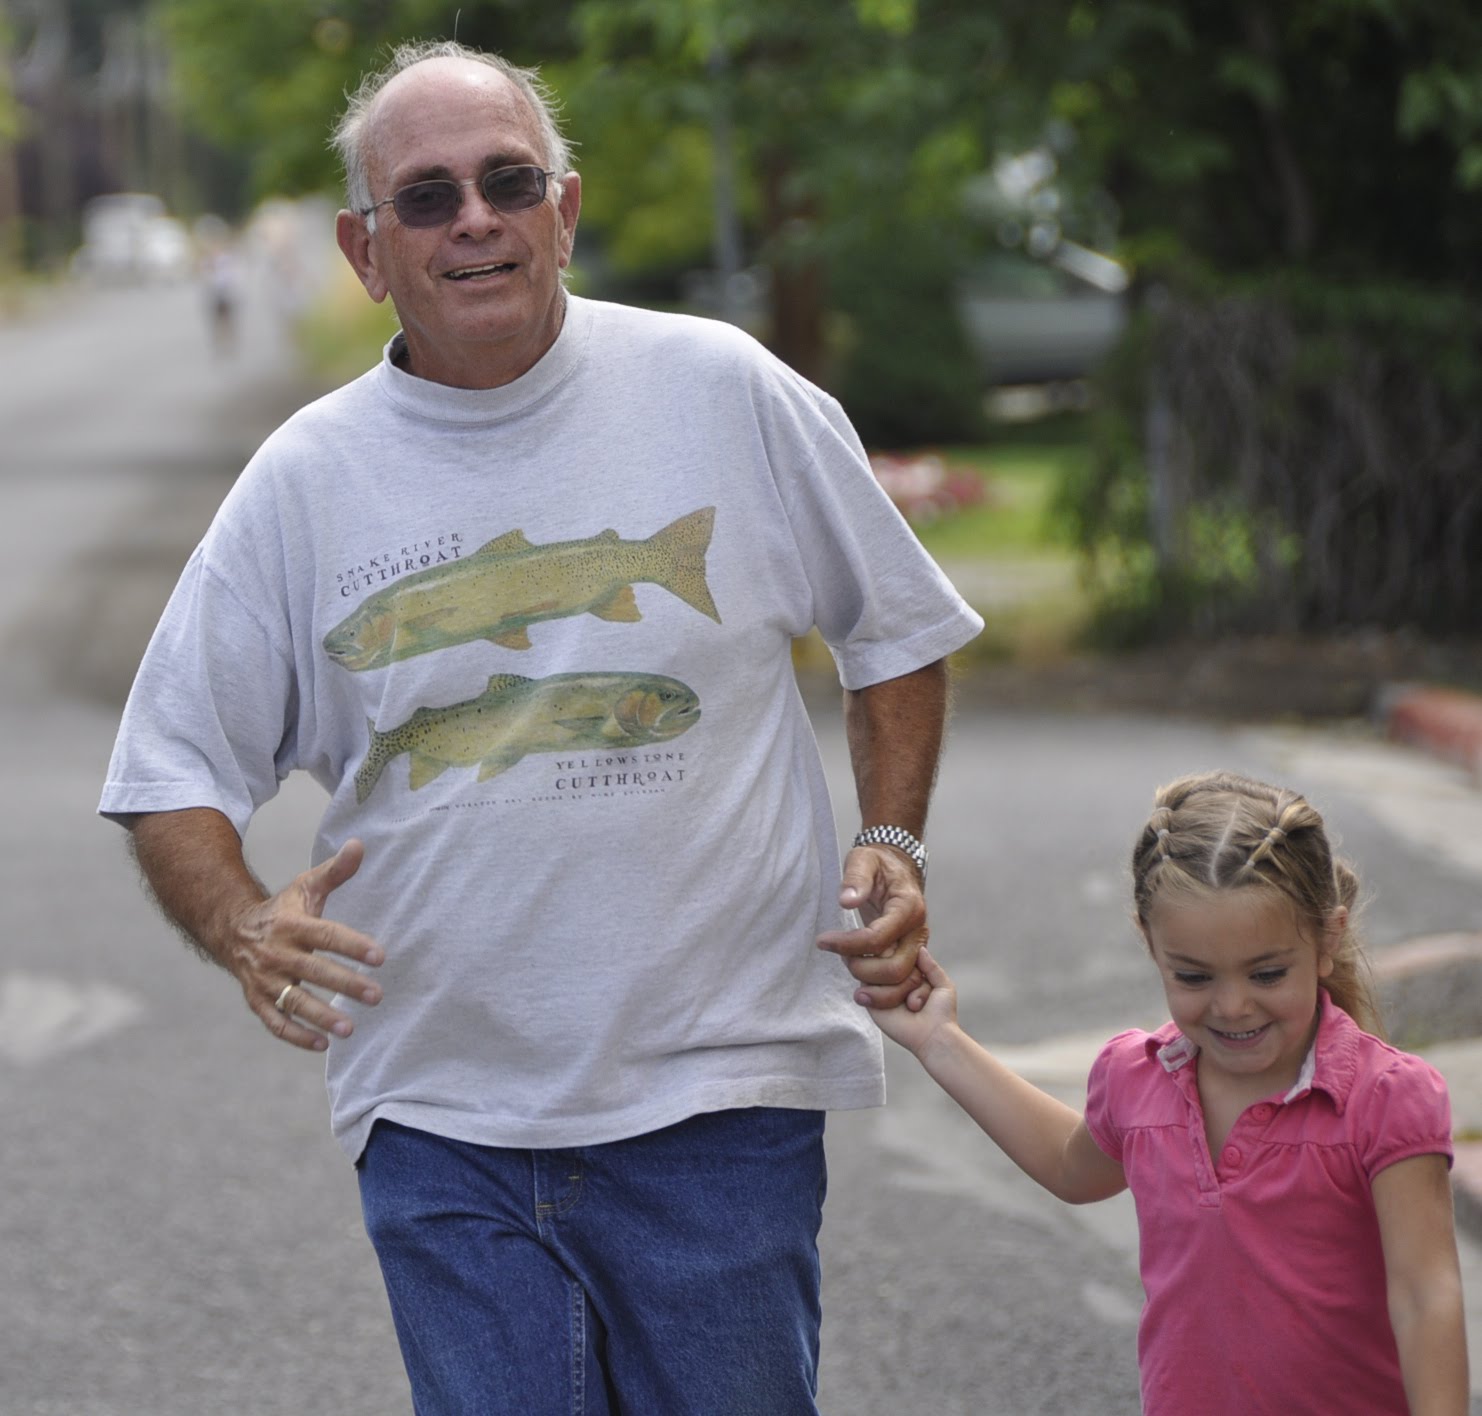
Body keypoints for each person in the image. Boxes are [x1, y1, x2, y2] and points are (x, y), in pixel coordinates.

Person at [98, 38, 982, 1416]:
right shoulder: (305, 481)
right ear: (363, 247)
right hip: (440, 1115)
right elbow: (169, 768)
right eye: (428, 196)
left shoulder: (723, 391)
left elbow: (898, 628)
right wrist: (239, 923)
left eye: (508, 182)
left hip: (719, 1098)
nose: (475, 220)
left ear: (563, 211)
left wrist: (891, 840)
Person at [855, 771, 1468, 1415]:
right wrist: (938, 1040)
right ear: (1152, 946)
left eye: (1267, 972)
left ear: (1327, 941)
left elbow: (1426, 1294)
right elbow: (1072, 1165)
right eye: (1194, 976)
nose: (1232, 1005)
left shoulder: (1387, 1098)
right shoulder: (1136, 1077)